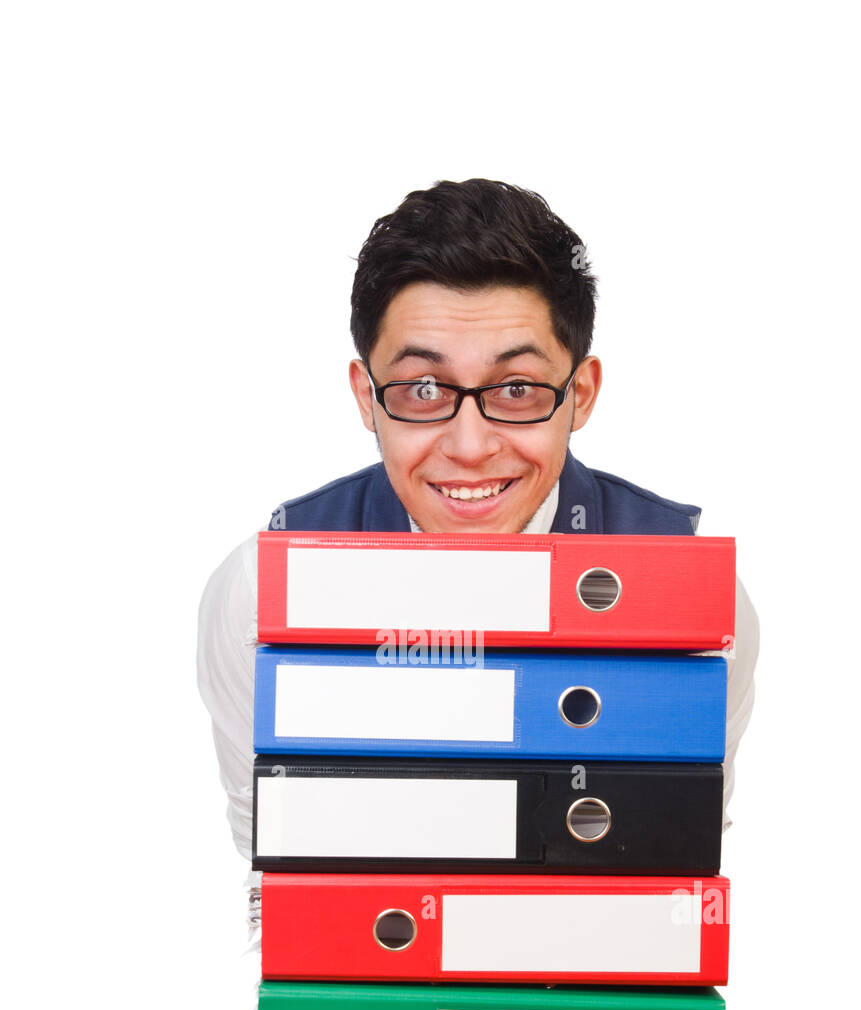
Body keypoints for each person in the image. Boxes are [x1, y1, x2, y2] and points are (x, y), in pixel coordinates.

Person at [198, 178, 758, 861]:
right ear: (366, 398)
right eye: (422, 389)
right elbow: (270, 851)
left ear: (578, 395)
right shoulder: (260, 590)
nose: (469, 447)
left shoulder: (698, 604)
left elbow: (671, 842)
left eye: (517, 389)